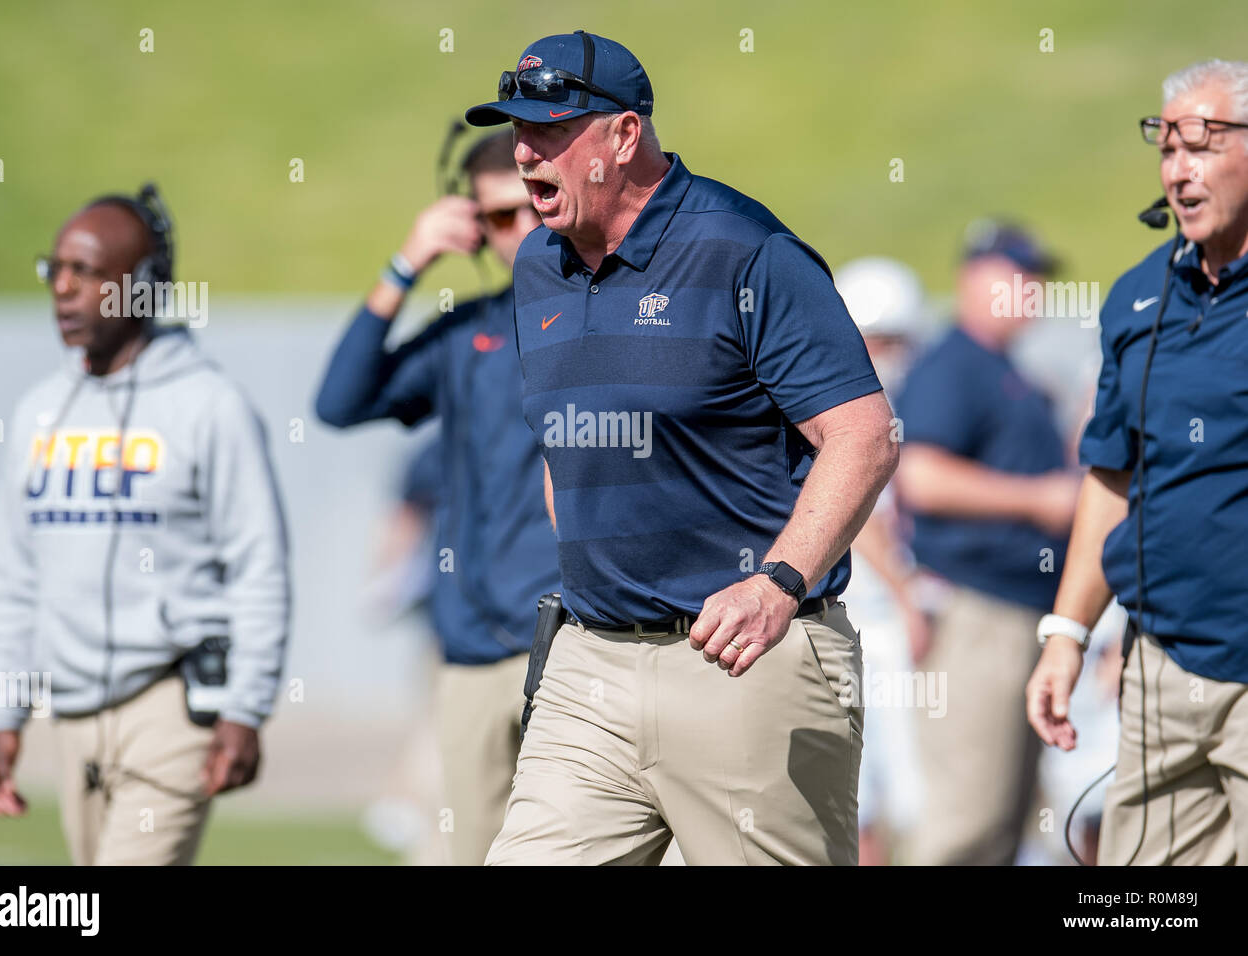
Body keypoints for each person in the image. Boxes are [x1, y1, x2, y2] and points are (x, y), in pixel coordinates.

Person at [466, 30, 897, 866]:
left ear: (624, 135)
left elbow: (863, 435)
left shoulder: (748, 250)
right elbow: (567, 448)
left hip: (748, 662)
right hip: (588, 667)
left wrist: (778, 583)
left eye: (549, 132)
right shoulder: (535, 267)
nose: (524, 155)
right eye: (517, 133)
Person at [0, 185, 291, 865]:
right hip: (72, 718)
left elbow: (259, 566)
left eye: (84, 272)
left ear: (142, 287)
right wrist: (3, 717)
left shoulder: (210, 406)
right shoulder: (37, 412)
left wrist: (246, 708)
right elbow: (13, 580)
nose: (61, 288)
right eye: (53, 269)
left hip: (171, 708)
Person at [314, 128, 560, 866]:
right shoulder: (468, 334)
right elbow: (339, 401)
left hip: (583, 647)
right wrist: (408, 260)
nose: (523, 230)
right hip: (476, 651)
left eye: (535, 206)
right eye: (497, 217)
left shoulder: (618, 318)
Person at [1027, 59, 1248, 865]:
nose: (1180, 169)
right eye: (1167, 147)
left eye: (1205, 144)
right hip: (1160, 668)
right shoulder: (1134, 300)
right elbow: (1111, 475)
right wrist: (1066, 632)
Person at [894, 221, 1080, 865]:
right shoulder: (956, 363)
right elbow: (920, 476)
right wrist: (1039, 499)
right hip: (979, 615)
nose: (1032, 290)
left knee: (1005, 821)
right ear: (974, 278)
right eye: (1017, 274)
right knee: (966, 823)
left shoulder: (1007, 370)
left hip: (1019, 614)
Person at [835, 257, 930, 865]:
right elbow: (856, 511)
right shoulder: (837, 411)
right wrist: (905, 591)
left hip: (893, 618)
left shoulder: (903, 404)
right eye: (878, 340)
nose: (888, 353)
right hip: (863, 615)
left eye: (896, 340)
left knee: (908, 801)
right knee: (862, 799)